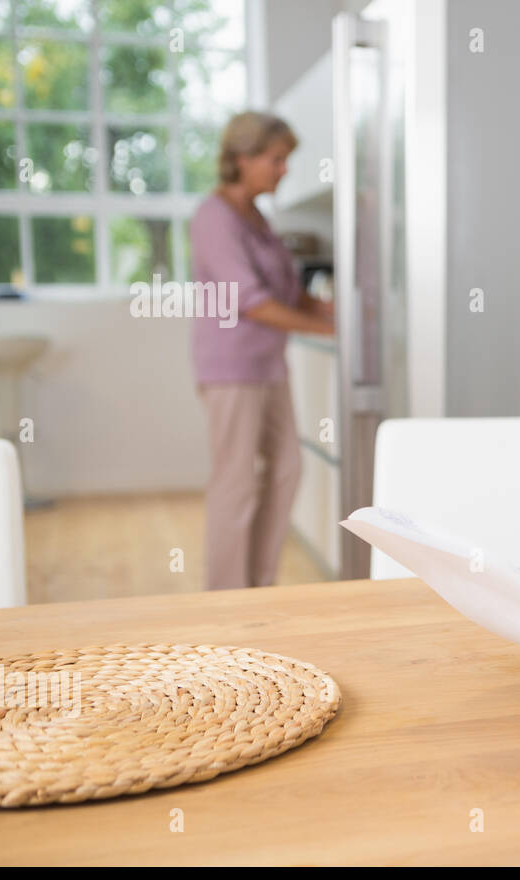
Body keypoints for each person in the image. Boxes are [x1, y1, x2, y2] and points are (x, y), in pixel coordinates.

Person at [189, 111, 335, 590]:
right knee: (236, 481)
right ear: (242, 158)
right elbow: (250, 301)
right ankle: (228, 597)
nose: (284, 169)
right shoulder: (215, 217)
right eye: (276, 160)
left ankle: (259, 585)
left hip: (269, 365)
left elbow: (289, 293)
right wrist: (325, 328)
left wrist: (342, 314)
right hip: (231, 367)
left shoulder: (259, 218)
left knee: (287, 468)